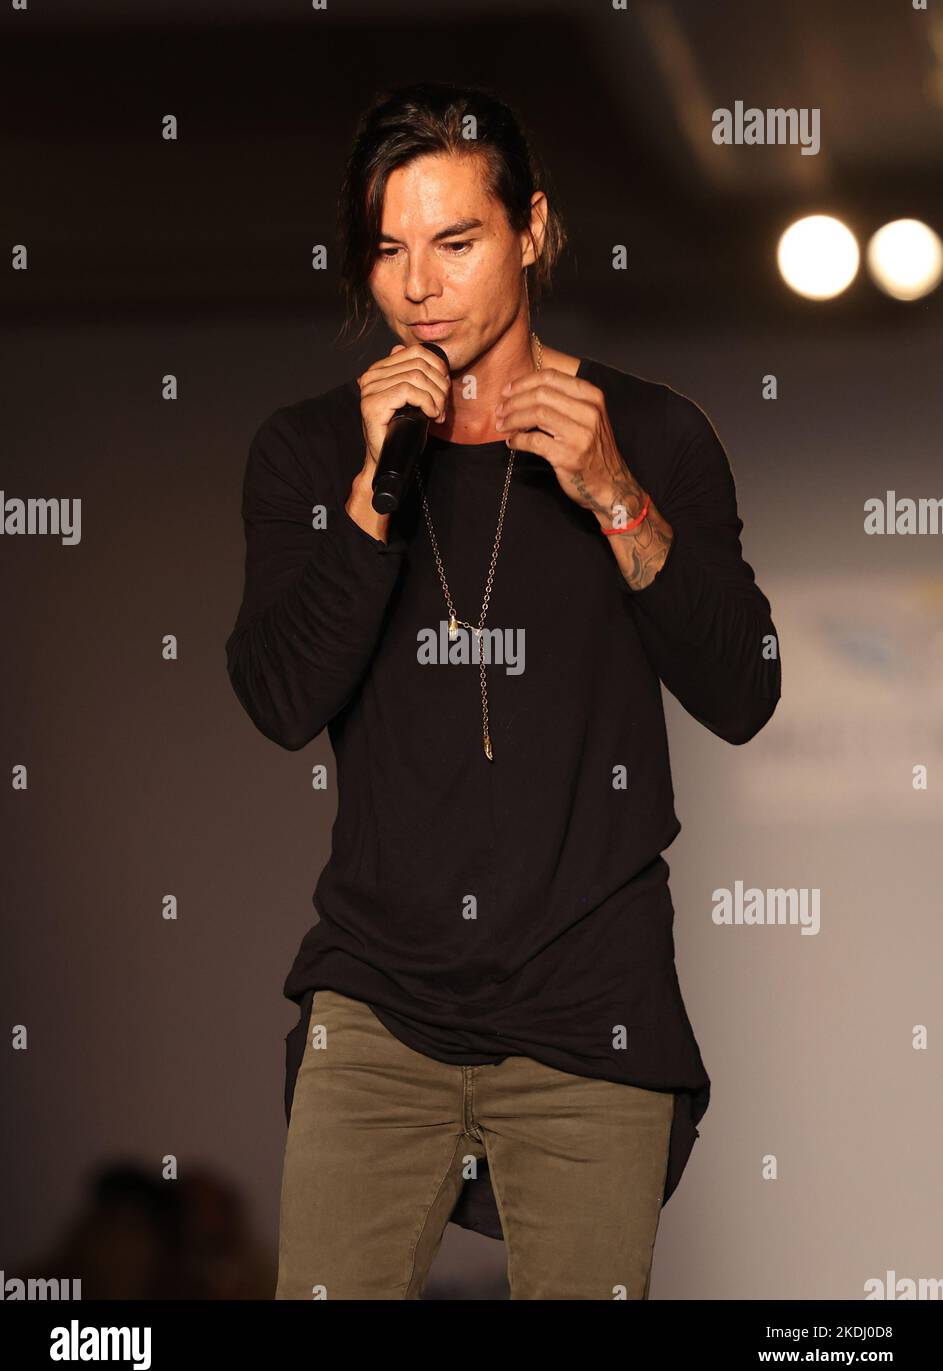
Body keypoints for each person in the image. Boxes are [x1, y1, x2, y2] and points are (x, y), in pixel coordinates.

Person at [225, 80, 782, 1300]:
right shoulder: (312, 452)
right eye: (388, 250)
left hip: (591, 1003)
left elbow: (745, 686)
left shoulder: (649, 432)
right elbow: (276, 695)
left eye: (457, 241)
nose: (419, 285)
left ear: (531, 229)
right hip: (375, 1000)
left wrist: (614, 493)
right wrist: (375, 491)